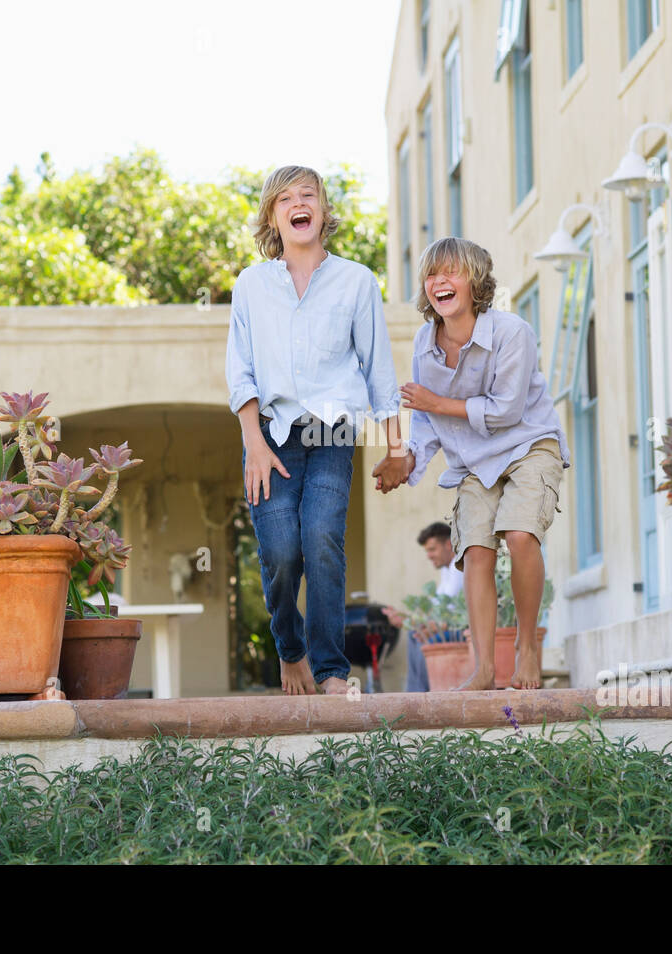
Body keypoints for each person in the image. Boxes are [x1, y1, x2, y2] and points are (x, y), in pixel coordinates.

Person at [225, 165, 403, 696]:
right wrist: (252, 441)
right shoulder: (252, 285)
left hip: (332, 433)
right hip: (272, 434)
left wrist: (397, 448)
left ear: (323, 212)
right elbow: (241, 370)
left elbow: (379, 370)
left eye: (308, 195)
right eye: (285, 199)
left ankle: (331, 670)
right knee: (280, 552)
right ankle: (290, 649)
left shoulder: (355, 281)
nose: (297, 204)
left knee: (322, 538)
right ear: (272, 217)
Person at [378, 236, 569, 691]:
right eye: (431, 274)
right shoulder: (425, 343)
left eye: (452, 272)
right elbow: (424, 421)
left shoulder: (511, 333)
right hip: (472, 462)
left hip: (528, 445)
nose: (439, 281)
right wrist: (407, 460)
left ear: (475, 282)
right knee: (476, 551)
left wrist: (438, 402)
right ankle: (483, 668)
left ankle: (526, 647)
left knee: (520, 535)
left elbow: (505, 410)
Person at [384, 522, 465, 692]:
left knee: (422, 637)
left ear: (448, 544)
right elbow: (437, 613)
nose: (429, 555)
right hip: (451, 627)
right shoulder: (447, 569)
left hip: (465, 630)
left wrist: (412, 622)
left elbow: (445, 618)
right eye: (427, 550)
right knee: (416, 633)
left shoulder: (459, 566)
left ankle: (420, 695)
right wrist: (408, 620)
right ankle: (417, 694)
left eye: (432, 549)